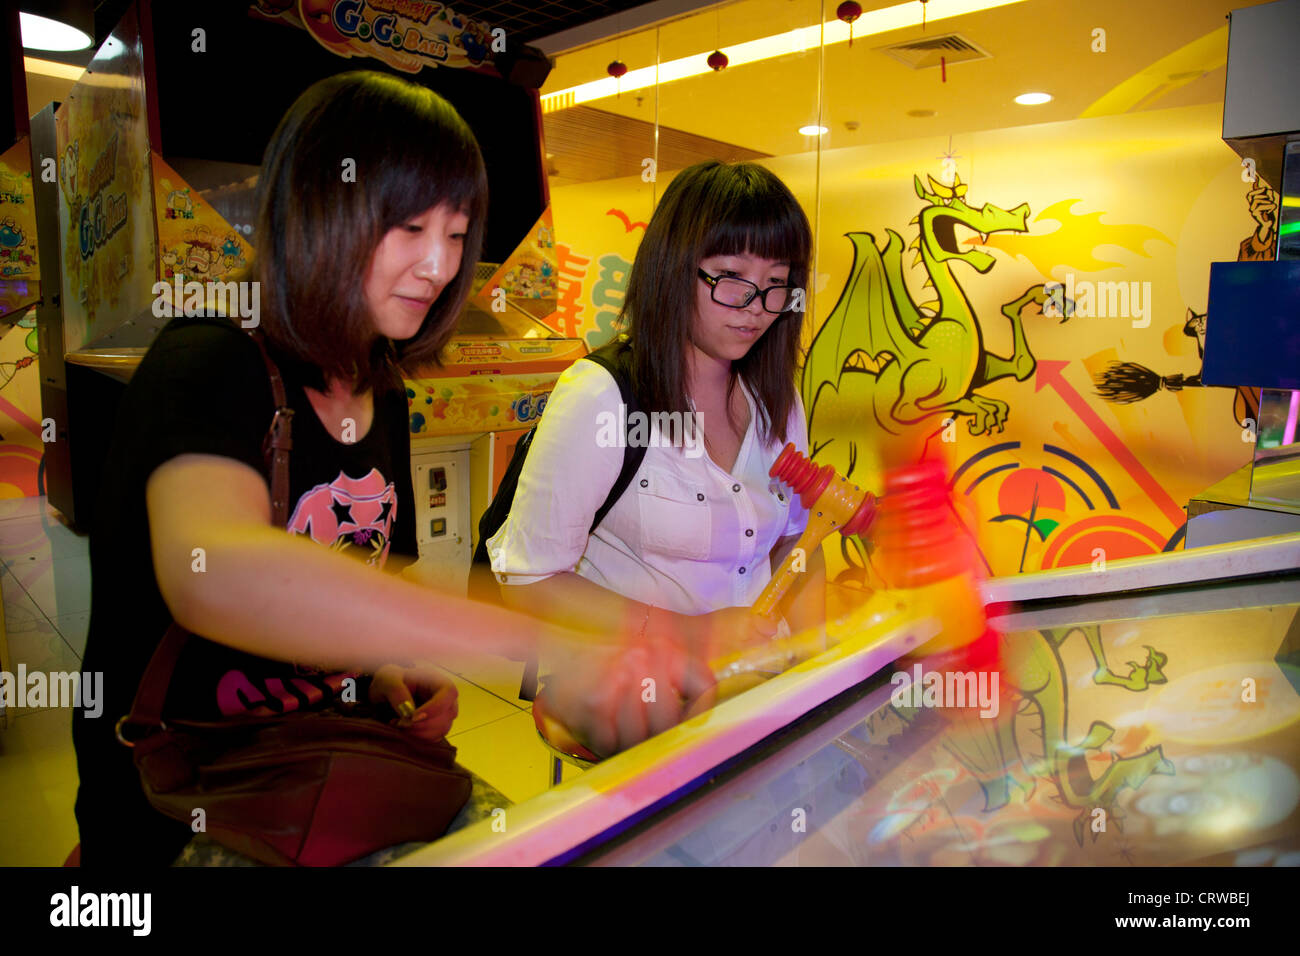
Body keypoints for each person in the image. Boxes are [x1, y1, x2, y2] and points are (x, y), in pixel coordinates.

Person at [71, 72, 708, 867]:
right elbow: (218, 571)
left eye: (457, 231)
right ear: (318, 208)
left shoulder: (379, 386)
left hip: (325, 764)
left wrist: (389, 671)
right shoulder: (210, 356)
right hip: (186, 799)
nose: (439, 266)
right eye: (409, 227)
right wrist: (541, 639)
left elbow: (358, 577)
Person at [487, 160, 826, 681]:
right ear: (673, 268)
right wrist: (695, 635)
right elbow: (529, 580)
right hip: (633, 693)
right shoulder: (603, 395)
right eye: (732, 277)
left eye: (776, 283)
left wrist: (814, 663)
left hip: (755, 689)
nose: (755, 306)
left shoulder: (777, 402)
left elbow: (796, 543)